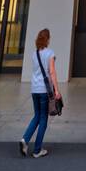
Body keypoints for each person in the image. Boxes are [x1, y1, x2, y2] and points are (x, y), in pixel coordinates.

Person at [21, 27, 60, 158]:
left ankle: (25, 139)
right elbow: (52, 72)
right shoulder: (50, 53)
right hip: (44, 90)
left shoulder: (34, 54)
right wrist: (57, 90)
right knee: (43, 118)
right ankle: (37, 150)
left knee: (37, 115)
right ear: (47, 39)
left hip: (34, 89)